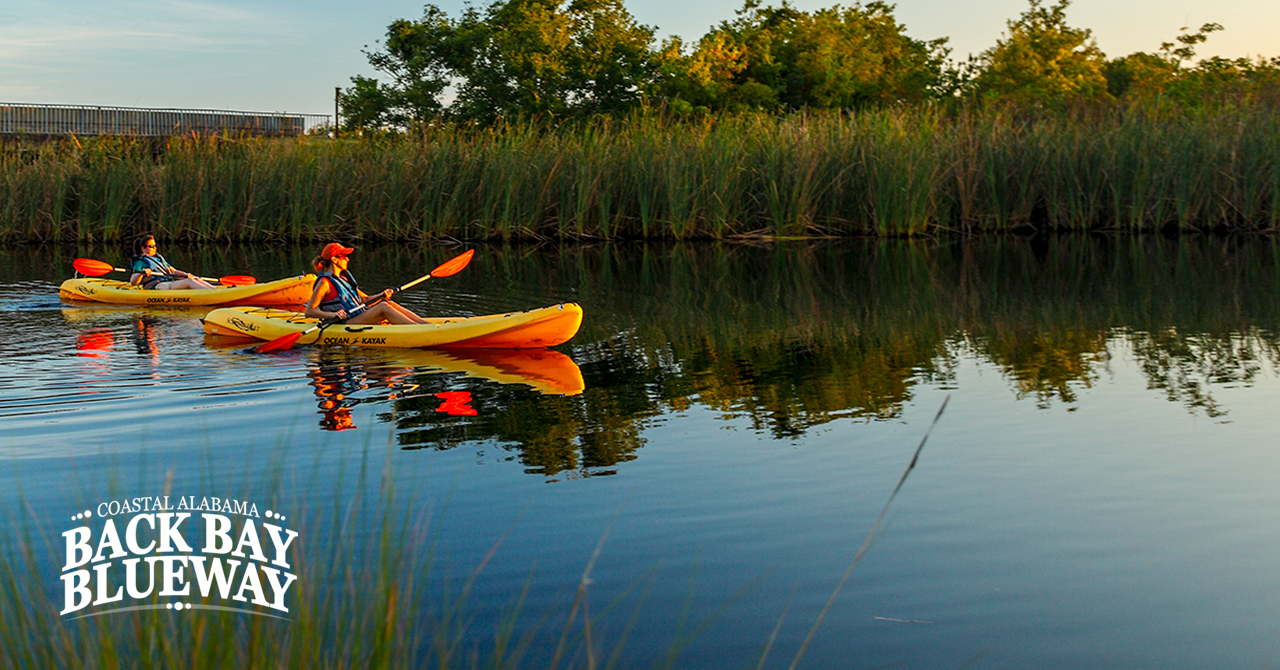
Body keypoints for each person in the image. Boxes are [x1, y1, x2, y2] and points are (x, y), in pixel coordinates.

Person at [304, 243, 427, 325]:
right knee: (383, 307)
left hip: (355, 317)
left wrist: (382, 295)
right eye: (344, 256)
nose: (348, 259)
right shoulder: (324, 283)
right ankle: (419, 330)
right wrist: (333, 314)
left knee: (387, 303)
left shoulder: (343, 280)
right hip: (343, 323)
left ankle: (425, 325)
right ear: (334, 259)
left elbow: (365, 299)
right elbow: (309, 311)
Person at [128, 234, 215, 290]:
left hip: (168, 282)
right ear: (143, 248)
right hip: (157, 286)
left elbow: (173, 271)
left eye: (155, 245)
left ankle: (215, 291)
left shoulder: (158, 259)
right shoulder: (141, 262)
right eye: (151, 246)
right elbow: (133, 282)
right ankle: (213, 294)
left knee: (194, 279)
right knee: (189, 282)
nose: (154, 248)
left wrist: (186, 274)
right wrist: (142, 273)